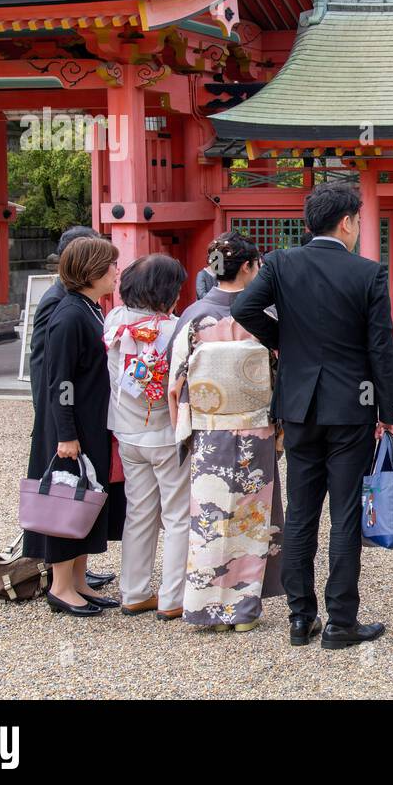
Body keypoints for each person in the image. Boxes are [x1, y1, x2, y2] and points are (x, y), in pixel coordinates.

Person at [233, 181, 393, 650]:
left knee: (303, 514)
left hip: (299, 404)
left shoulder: (283, 263)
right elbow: (381, 348)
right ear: (346, 222)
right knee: (345, 514)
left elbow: (243, 306)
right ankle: (340, 621)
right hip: (351, 405)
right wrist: (389, 412)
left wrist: (284, 340)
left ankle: (299, 617)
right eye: (359, 221)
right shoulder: (368, 274)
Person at [167, 232, 283, 633]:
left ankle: (206, 609)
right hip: (256, 428)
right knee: (252, 517)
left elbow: (176, 383)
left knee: (210, 516)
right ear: (250, 266)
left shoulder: (194, 315)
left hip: (211, 431)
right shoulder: (263, 315)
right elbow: (280, 371)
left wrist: (185, 425)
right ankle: (243, 610)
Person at [25, 236, 122, 616]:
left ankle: (79, 579)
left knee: (87, 497)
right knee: (66, 498)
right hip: (71, 426)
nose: (117, 273)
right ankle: (62, 585)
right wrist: (65, 433)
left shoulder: (90, 308)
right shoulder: (68, 314)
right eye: (112, 266)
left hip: (91, 421)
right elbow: (60, 380)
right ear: (93, 271)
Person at [103, 255, 188, 620]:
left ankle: (134, 591)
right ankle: (173, 597)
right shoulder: (174, 331)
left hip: (128, 431)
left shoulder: (115, 321)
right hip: (166, 436)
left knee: (139, 513)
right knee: (178, 515)